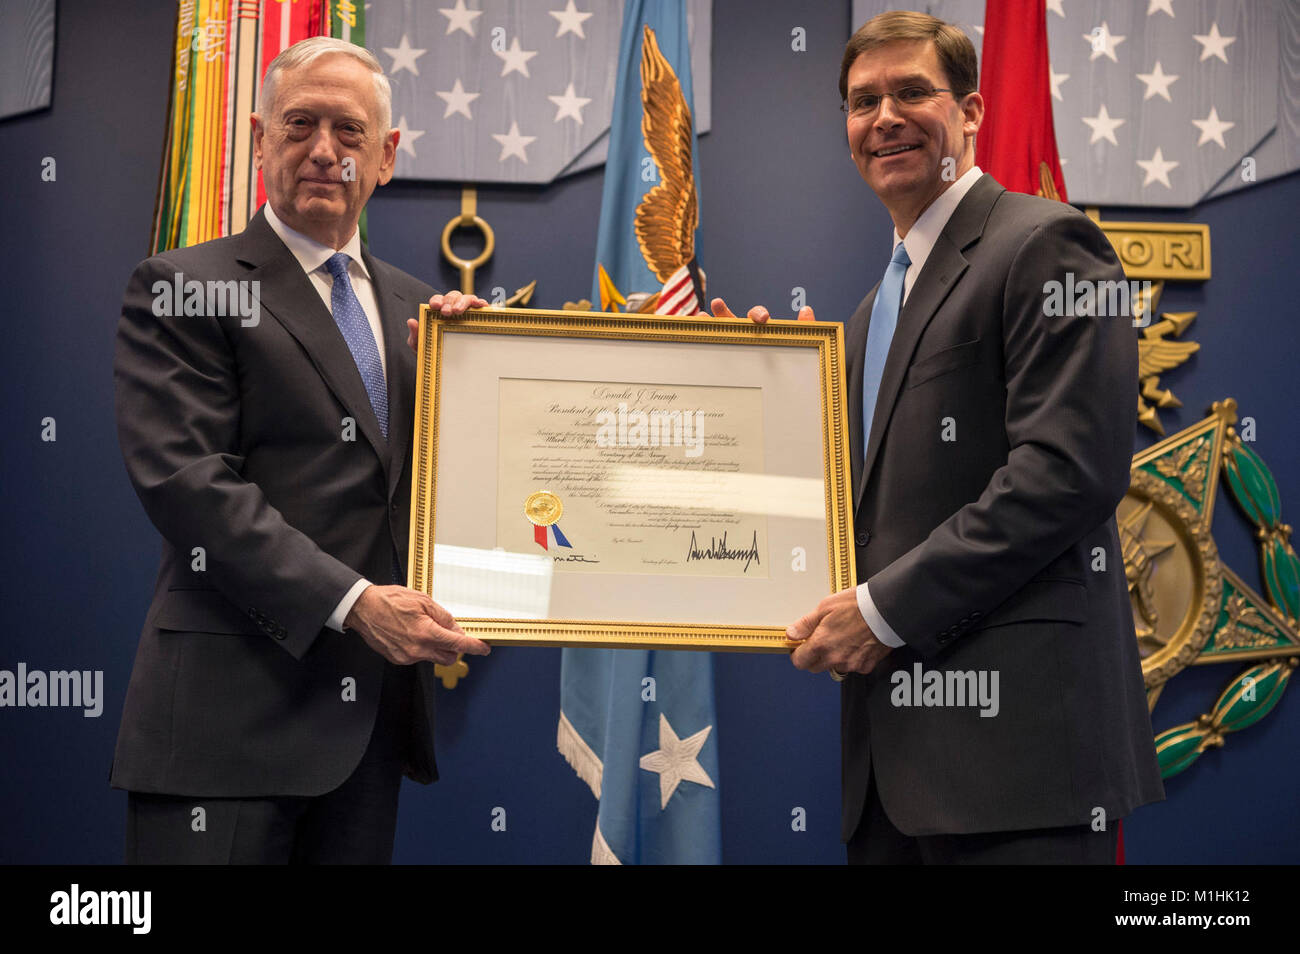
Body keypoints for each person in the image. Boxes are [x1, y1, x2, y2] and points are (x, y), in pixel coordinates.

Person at [713, 11, 1163, 864]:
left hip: (1018, 768)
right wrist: (755, 394)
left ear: (972, 111)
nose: (884, 117)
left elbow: (1068, 472)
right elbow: (855, 499)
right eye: (862, 101)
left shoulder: (1050, 242)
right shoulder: (872, 309)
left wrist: (881, 613)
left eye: (912, 92)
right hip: (889, 776)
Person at [112, 37, 489, 864]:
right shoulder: (184, 287)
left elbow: (465, 486)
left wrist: (481, 378)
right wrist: (356, 603)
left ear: (385, 157)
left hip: (365, 738)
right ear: (258, 139)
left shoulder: (429, 315)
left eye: (349, 132)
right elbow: (191, 486)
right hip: (224, 733)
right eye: (300, 124)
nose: (324, 150)